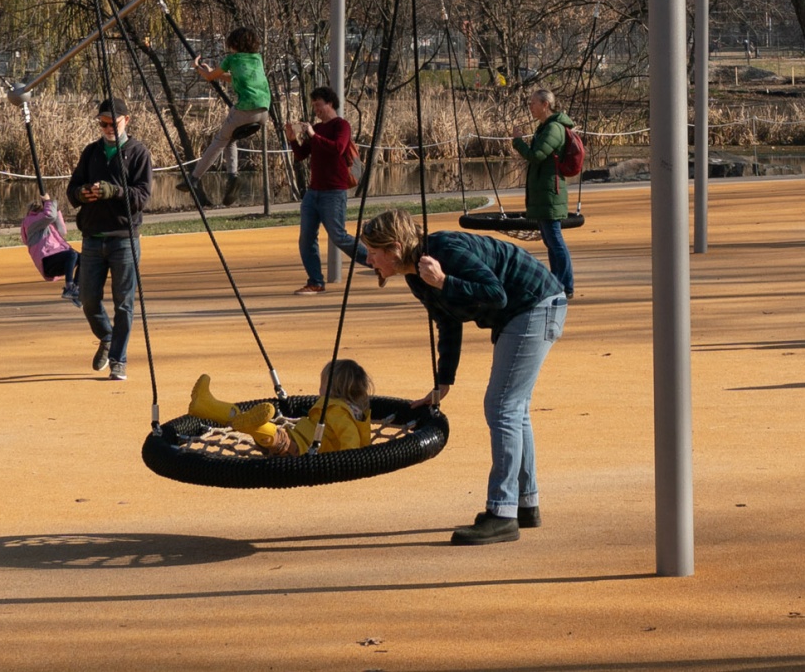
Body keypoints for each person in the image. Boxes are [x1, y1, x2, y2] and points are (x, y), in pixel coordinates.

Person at [359, 209, 567, 546]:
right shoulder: (416, 276)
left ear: (395, 247)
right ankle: (525, 504)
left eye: (372, 251)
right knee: (514, 409)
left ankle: (502, 514)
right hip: (525, 310)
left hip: (534, 303)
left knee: (502, 407)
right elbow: (448, 321)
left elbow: (495, 293)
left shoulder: (444, 251)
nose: (368, 260)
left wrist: (444, 281)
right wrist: (443, 382)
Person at [67, 98, 153, 381]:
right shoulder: (91, 152)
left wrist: (113, 191)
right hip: (92, 238)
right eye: (102, 123)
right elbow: (72, 189)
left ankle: (118, 359)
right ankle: (107, 336)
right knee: (87, 299)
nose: (107, 129)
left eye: (112, 123)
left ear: (126, 120)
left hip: (124, 240)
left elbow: (142, 197)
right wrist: (82, 194)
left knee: (124, 304)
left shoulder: (138, 153)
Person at [188, 359, 373, 456]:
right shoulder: (338, 409)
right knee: (266, 432)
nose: (319, 389)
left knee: (279, 439)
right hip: (300, 442)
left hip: (304, 450)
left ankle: (257, 427)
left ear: (333, 389)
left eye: (322, 385)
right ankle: (206, 406)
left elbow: (350, 439)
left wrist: (346, 462)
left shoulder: (339, 412)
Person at [285, 85, 370, 295]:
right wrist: (292, 139)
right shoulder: (317, 128)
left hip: (334, 192)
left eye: (319, 105)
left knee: (339, 236)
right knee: (306, 239)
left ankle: (375, 262)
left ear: (330, 103)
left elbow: (337, 148)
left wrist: (313, 135)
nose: (316, 110)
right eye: (314, 106)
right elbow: (302, 155)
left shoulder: (341, 125)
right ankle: (315, 281)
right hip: (313, 192)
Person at [182, 27, 272, 206]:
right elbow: (236, 78)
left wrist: (198, 67)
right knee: (230, 139)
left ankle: (194, 178)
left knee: (219, 141)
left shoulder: (232, 59)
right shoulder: (257, 59)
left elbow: (209, 77)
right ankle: (232, 177)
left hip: (246, 110)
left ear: (234, 44)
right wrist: (215, 74)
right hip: (263, 112)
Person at [512, 88, 577, 297]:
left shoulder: (554, 128)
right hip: (544, 192)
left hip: (550, 193)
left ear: (545, 104)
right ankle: (558, 283)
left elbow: (537, 155)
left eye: (533, 103)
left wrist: (518, 141)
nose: (530, 107)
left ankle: (565, 285)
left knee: (555, 240)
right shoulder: (544, 128)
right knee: (550, 241)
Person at [20, 194, 79, 304]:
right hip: (47, 261)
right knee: (72, 255)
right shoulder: (30, 221)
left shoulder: (47, 223)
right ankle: (69, 286)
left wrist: (57, 210)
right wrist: (48, 202)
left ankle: (75, 289)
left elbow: (62, 231)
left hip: (56, 259)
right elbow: (49, 216)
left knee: (84, 258)